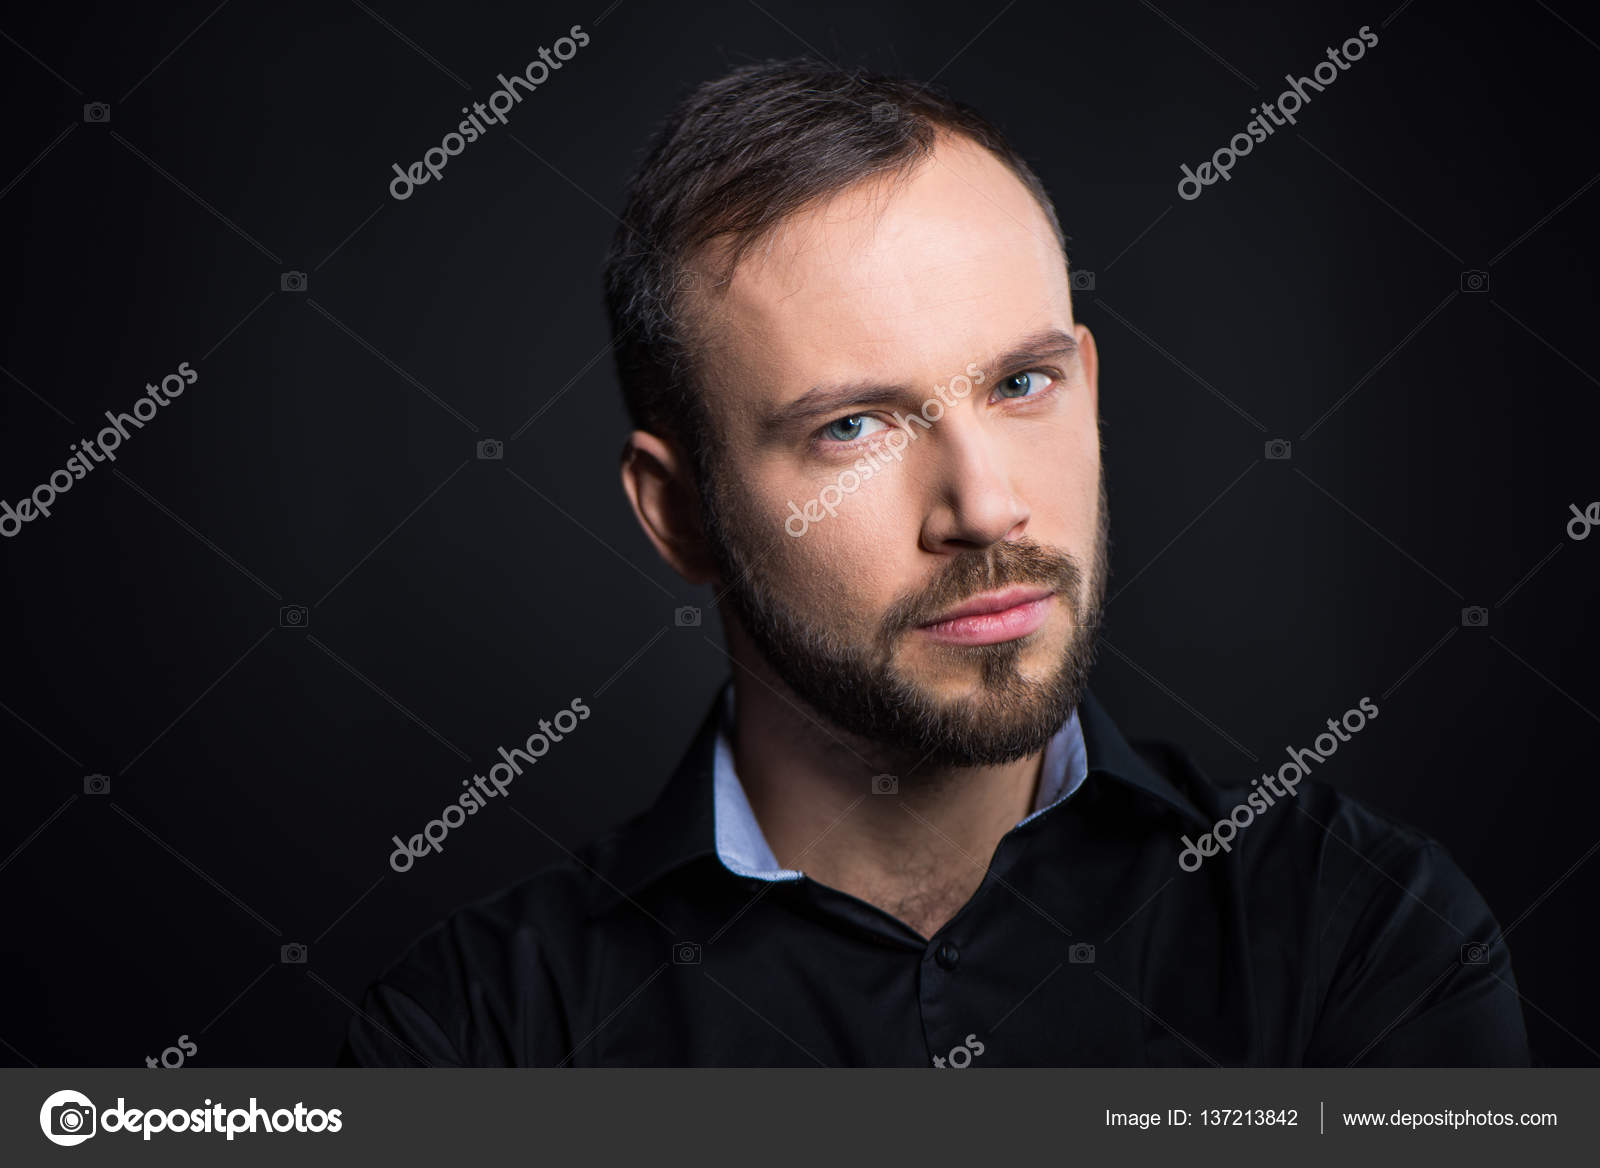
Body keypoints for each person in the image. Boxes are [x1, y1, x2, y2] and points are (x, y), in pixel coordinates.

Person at [340, 59, 1529, 1067]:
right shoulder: (474, 1040)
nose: (988, 505)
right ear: (679, 512)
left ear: (1089, 389)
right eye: (852, 427)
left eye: (1021, 384)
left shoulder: (1360, 932)